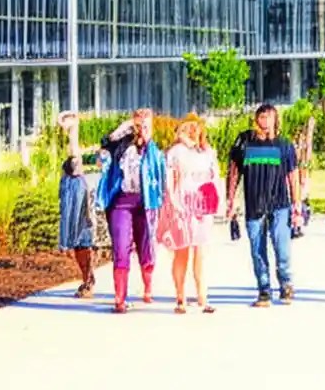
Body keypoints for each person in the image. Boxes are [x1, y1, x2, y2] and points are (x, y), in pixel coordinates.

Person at [226, 104, 301, 308]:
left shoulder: (284, 145)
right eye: (261, 117)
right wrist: (230, 199)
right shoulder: (244, 142)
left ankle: (286, 284)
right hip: (254, 205)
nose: (265, 121)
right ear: (256, 119)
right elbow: (233, 171)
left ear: (276, 120)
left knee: (281, 246)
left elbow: (293, 176)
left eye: (269, 117)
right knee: (257, 249)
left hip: (279, 204)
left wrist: (297, 205)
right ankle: (264, 289)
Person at [95, 109, 167, 314]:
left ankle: (148, 286)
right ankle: (119, 298)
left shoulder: (153, 151)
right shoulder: (121, 146)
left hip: (145, 203)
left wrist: (147, 141)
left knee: (146, 249)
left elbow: (161, 178)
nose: (141, 130)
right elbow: (103, 147)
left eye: (146, 126)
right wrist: (123, 129)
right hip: (121, 202)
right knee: (120, 248)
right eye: (138, 126)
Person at [156, 120, 221, 314]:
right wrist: (175, 205)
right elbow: (170, 181)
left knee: (201, 252)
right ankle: (180, 296)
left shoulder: (207, 152)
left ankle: (203, 296)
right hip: (183, 205)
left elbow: (214, 178)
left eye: (196, 127)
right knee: (181, 252)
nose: (193, 131)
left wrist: (216, 203)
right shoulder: (175, 152)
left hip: (202, 206)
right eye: (189, 127)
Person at [58, 155, 96, 300]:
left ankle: (88, 280)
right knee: (81, 245)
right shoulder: (67, 182)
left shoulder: (75, 182)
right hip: (75, 183)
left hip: (84, 216)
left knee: (83, 244)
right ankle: (87, 279)